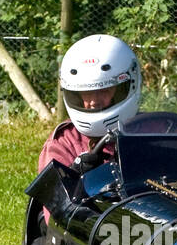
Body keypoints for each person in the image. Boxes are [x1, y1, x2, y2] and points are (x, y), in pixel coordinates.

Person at [38, 33, 142, 175]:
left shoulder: (159, 130)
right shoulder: (66, 141)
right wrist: (74, 177)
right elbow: (49, 195)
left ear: (130, 85)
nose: (93, 101)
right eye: (86, 93)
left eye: (104, 90)